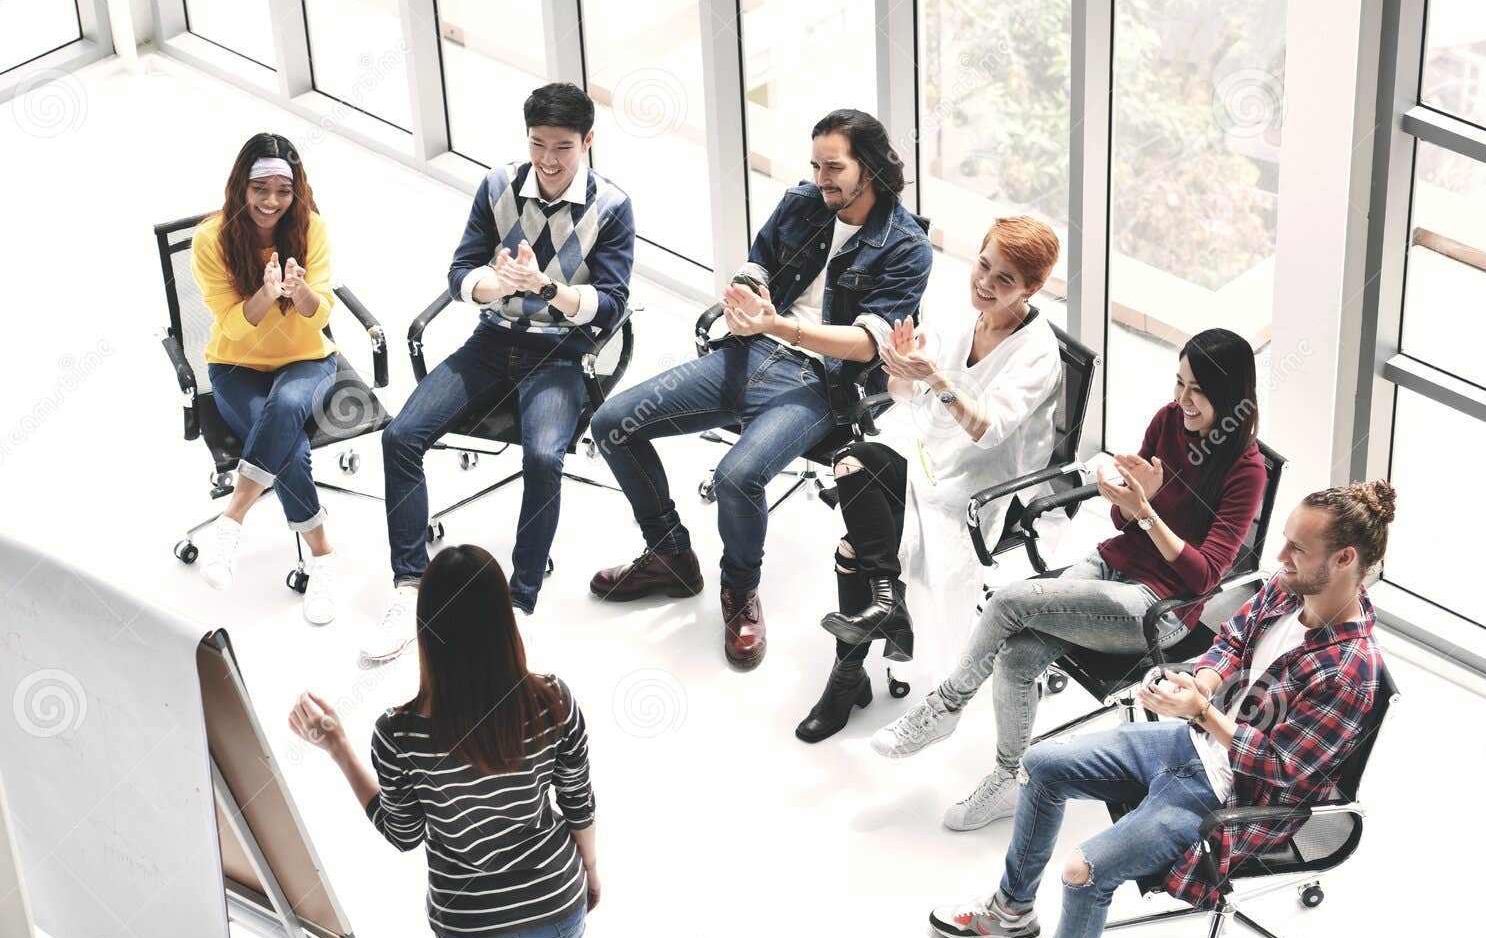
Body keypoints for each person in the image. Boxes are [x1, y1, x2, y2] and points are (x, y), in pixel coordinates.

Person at [928, 481, 1395, 938]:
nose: (1279, 559)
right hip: (1192, 742)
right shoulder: (1284, 591)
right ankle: (1011, 914)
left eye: (1297, 549)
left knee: (1081, 871)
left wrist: (1204, 714)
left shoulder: (1351, 670)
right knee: (1041, 765)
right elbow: (1231, 640)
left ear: (1345, 560)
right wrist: (1202, 683)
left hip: (1233, 798)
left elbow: (1281, 770)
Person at [872, 328, 1269, 832]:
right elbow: (1125, 525)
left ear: (1229, 395)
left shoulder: (1246, 471)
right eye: (1179, 383)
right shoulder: (1167, 421)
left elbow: (1205, 576)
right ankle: (1006, 778)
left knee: (1008, 602)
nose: (1181, 399)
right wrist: (1129, 502)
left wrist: (1146, 510)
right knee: (1016, 658)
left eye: (1196, 391)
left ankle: (946, 706)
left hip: (1156, 609)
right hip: (1109, 565)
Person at [587, 109, 933, 670]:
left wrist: (778, 325)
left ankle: (739, 591)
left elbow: (869, 345)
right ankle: (671, 553)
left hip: (821, 381)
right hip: (748, 351)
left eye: (835, 167)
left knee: (738, 475)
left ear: (869, 167)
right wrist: (748, 295)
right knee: (611, 424)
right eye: (816, 164)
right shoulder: (803, 203)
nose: (822, 178)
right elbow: (760, 263)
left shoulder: (906, 247)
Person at [290, 544, 598, 938]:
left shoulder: (399, 733)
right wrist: (588, 870)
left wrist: (338, 749)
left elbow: (404, 834)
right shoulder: (553, 701)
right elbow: (578, 801)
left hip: (468, 919)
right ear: (505, 620)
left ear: (426, 629)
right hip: (554, 896)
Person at [362, 83, 635, 662]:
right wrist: (496, 285)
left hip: (560, 353)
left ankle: (521, 601)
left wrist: (546, 287)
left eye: (563, 146)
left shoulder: (611, 206)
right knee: (399, 437)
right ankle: (409, 585)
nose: (550, 160)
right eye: (538, 144)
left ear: (588, 141)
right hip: (492, 341)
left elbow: (611, 304)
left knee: (542, 457)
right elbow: (461, 271)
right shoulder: (498, 185)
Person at [797, 216, 1062, 742]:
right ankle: (883, 607)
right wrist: (900, 366)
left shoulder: (1037, 354)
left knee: (856, 543)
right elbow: (903, 395)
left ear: (1033, 289)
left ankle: (849, 673)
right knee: (852, 461)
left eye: (1004, 280)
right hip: (926, 449)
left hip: (977, 483)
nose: (984, 283)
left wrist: (934, 377)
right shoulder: (969, 318)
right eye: (983, 265)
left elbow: (987, 432)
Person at [190, 133, 343, 623]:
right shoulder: (210, 240)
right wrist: (264, 292)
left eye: (283, 189)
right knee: (289, 446)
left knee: (282, 414)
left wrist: (298, 294)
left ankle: (231, 518)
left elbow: (319, 317)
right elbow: (229, 321)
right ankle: (323, 558)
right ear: (241, 186)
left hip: (305, 358)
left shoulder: (310, 229)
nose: (272, 201)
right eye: (261, 189)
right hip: (236, 366)